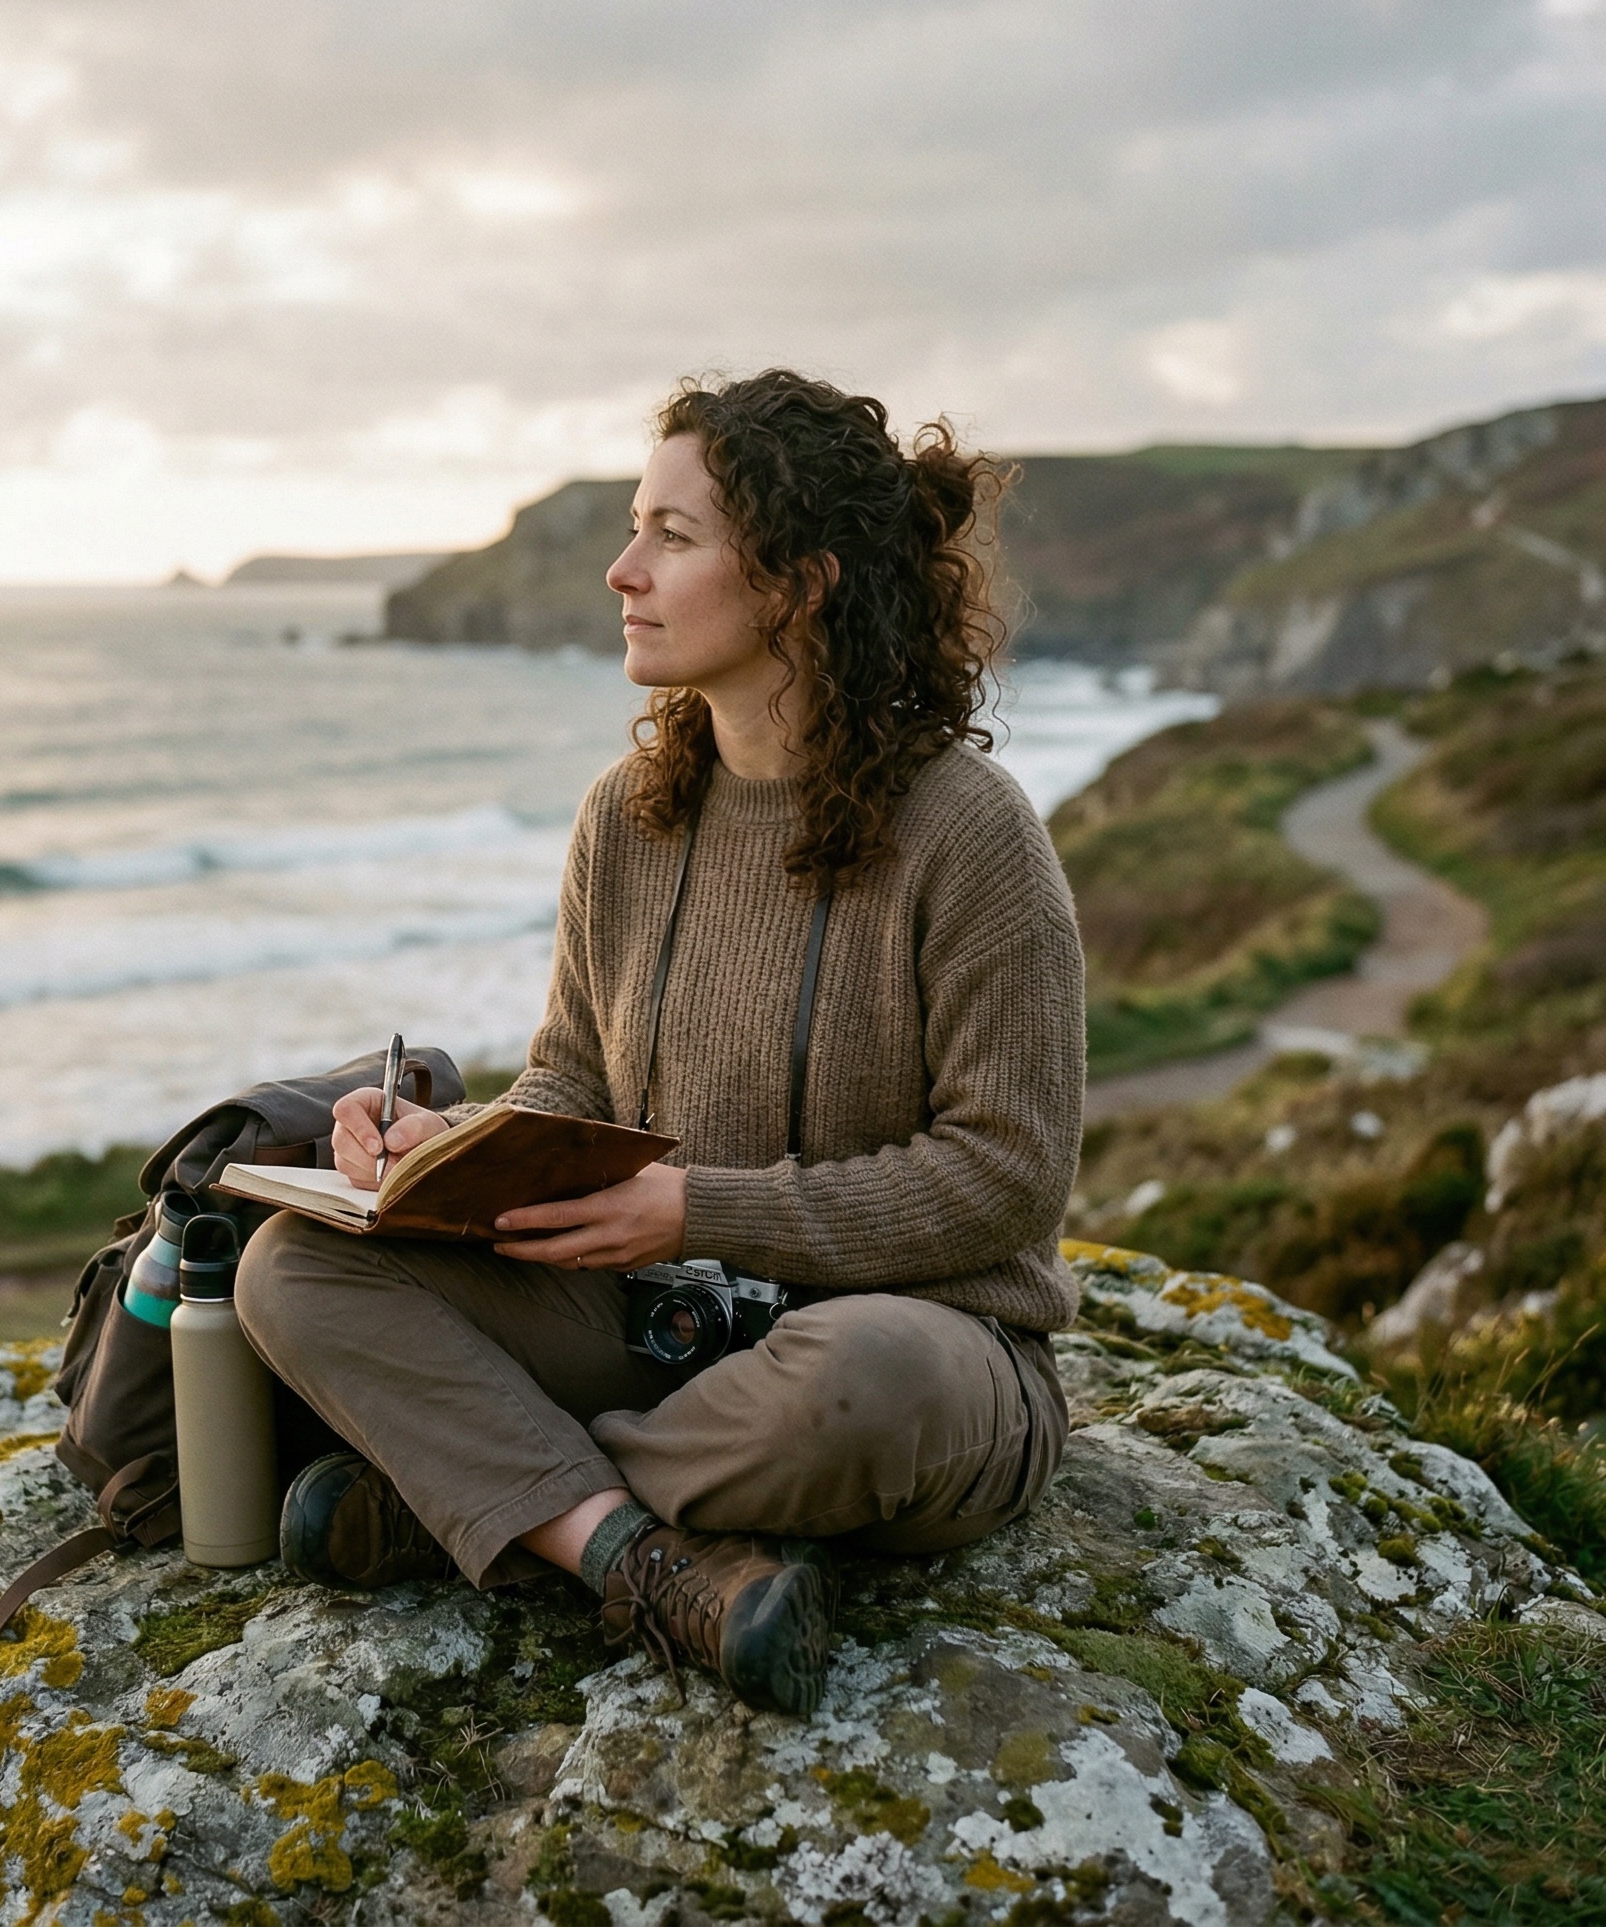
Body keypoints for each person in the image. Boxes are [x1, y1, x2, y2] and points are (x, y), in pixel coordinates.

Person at [235, 369, 1084, 1717]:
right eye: (636, 529)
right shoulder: (628, 816)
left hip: (910, 1349)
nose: (624, 571)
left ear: (800, 583)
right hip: (663, 1331)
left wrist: (700, 1207)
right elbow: (575, 1081)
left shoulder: (967, 831)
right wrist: (449, 1151)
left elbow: (1008, 1178)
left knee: (861, 1386)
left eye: (672, 536)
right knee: (293, 1270)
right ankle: (635, 1560)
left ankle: (494, 1499)